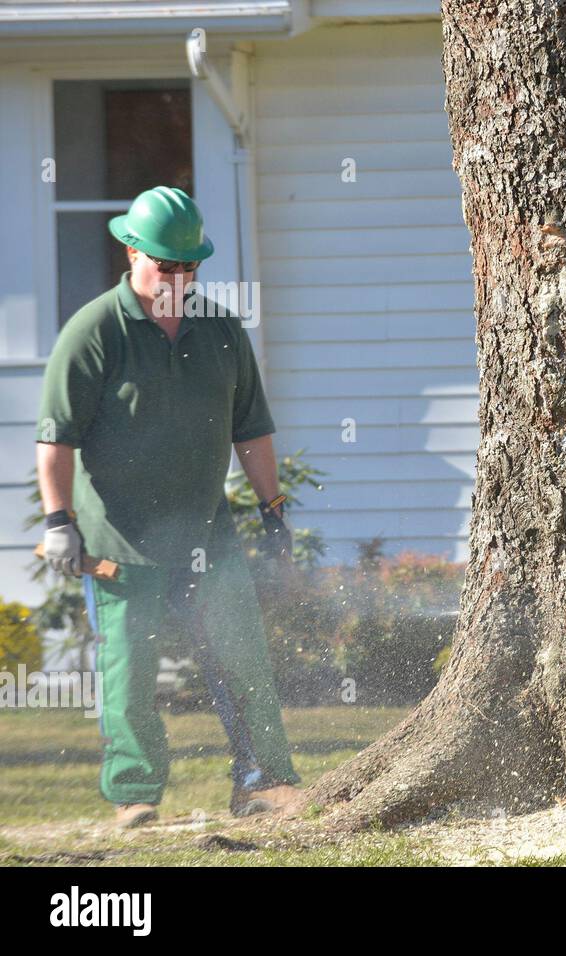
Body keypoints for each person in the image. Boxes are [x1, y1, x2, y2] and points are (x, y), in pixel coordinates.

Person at [36, 186, 303, 829]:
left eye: (189, 267)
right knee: (130, 670)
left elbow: (253, 432)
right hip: (118, 543)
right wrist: (58, 522)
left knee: (241, 654)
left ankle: (262, 781)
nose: (178, 279)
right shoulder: (94, 331)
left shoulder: (220, 329)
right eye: (166, 265)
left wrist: (273, 512)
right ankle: (135, 795)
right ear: (132, 252)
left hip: (206, 532)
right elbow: (55, 439)